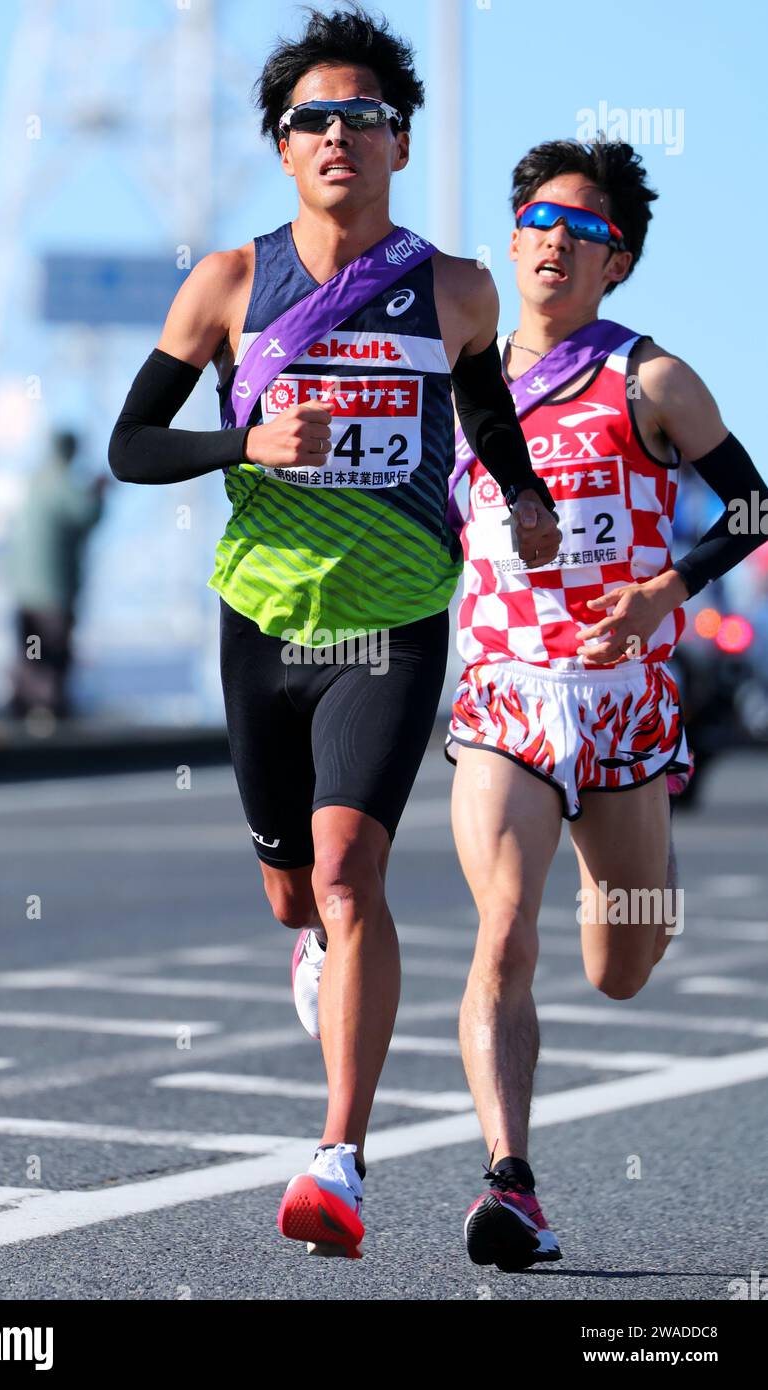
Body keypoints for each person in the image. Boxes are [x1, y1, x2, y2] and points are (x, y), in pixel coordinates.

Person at [108, 4, 559, 1259]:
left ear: (398, 143)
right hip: (261, 623)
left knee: (353, 872)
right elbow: (130, 446)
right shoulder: (229, 284)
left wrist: (522, 503)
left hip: (395, 624)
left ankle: (338, 1158)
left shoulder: (457, 292)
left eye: (361, 115)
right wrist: (244, 440)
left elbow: (488, 424)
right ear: (281, 145)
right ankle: (309, 937)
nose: (337, 135)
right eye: (312, 118)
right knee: (293, 889)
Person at [445, 138, 768, 1272]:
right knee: (502, 927)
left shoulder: (650, 379)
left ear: (613, 262)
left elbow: (752, 506)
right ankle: (508, 1182)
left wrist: (662, 592)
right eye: (533, 218)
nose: (549, 240)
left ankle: (621, 870)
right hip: (502, 698)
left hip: (624, 702)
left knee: (620, 964)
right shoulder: (459, 380)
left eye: (577, 230)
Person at [7, 428, 107, 722]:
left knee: (30, 653)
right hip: (54, 590)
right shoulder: (62, 483)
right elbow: (86, 515)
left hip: (24, 590)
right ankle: (51, 712)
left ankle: (23, 708)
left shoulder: (34, 483)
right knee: (54, 654)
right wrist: (98, 493)